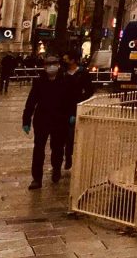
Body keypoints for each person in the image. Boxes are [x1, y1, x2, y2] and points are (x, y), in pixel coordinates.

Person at [22, 57, 69, 189]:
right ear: (44, 67)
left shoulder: (65, 81)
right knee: (38, 149)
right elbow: (31, 101)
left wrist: (71, 115)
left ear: (58, 66)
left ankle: (56, 168)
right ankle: (36, 178)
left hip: (60, 119)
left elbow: (70, 100)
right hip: (42, 119)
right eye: (48, 64)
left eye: (53, 64)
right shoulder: (39, 81)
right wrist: (26, 120)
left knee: (58, 147)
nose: (51, 67)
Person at [58, 52, 94, 171]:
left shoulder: (82, 73)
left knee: (70, 136)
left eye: (66, 59)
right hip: (62, 108)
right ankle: (58, 160)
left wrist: (81, 100)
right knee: (59, 137)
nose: (64, 61)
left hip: (75, 108)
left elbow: (89, 90)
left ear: (73, 60)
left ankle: (68, 155)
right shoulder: (62, 73)